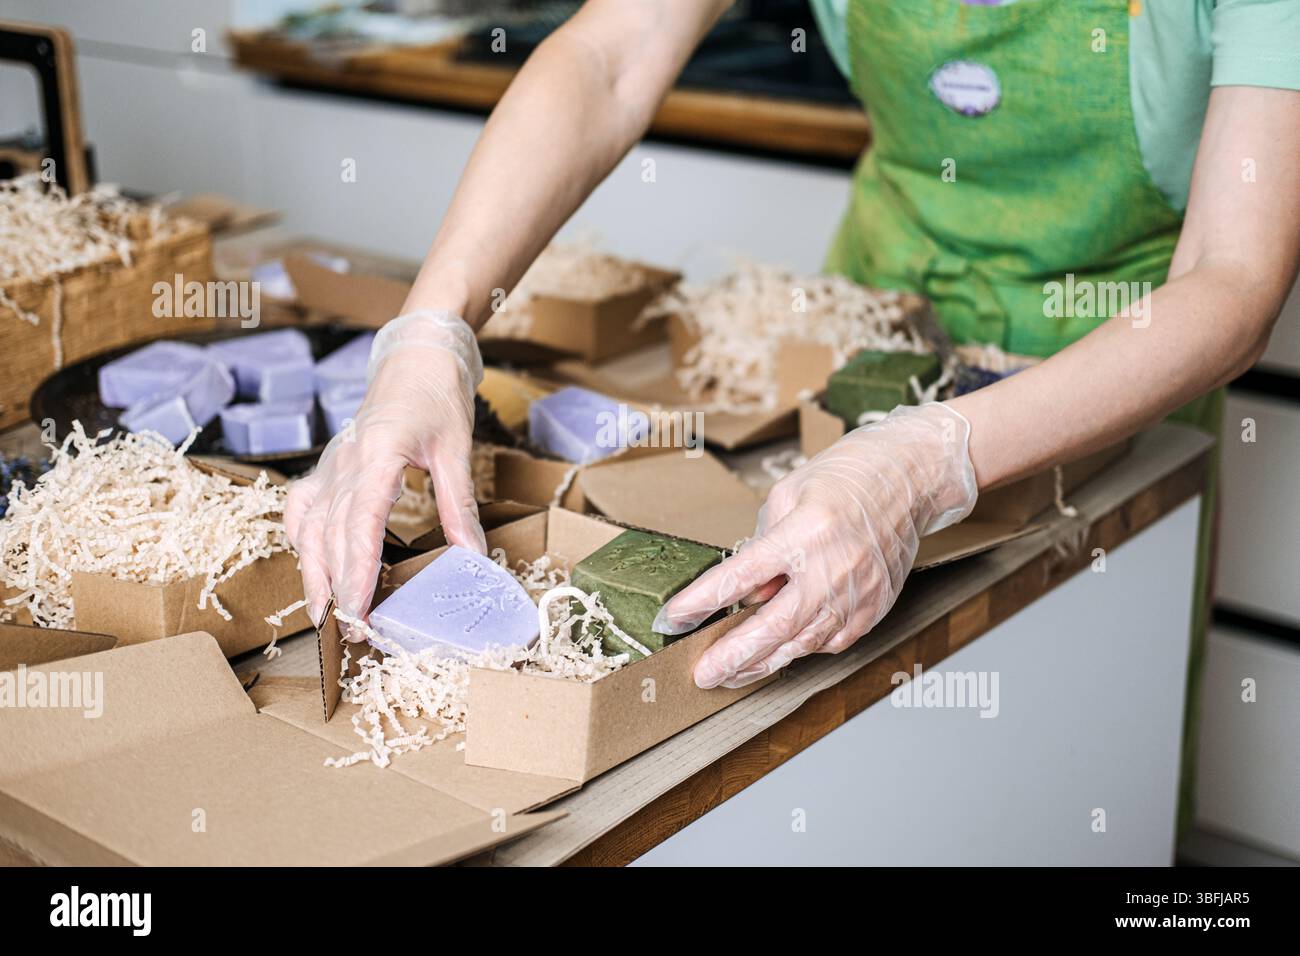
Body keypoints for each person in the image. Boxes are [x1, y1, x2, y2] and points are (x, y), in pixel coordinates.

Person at [285, 1, 1299, 773]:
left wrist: (927, 460)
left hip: (1108, 373)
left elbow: (1233, 275)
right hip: (875, 309)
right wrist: (431, 331)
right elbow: (608, 57)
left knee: (1065, 747)